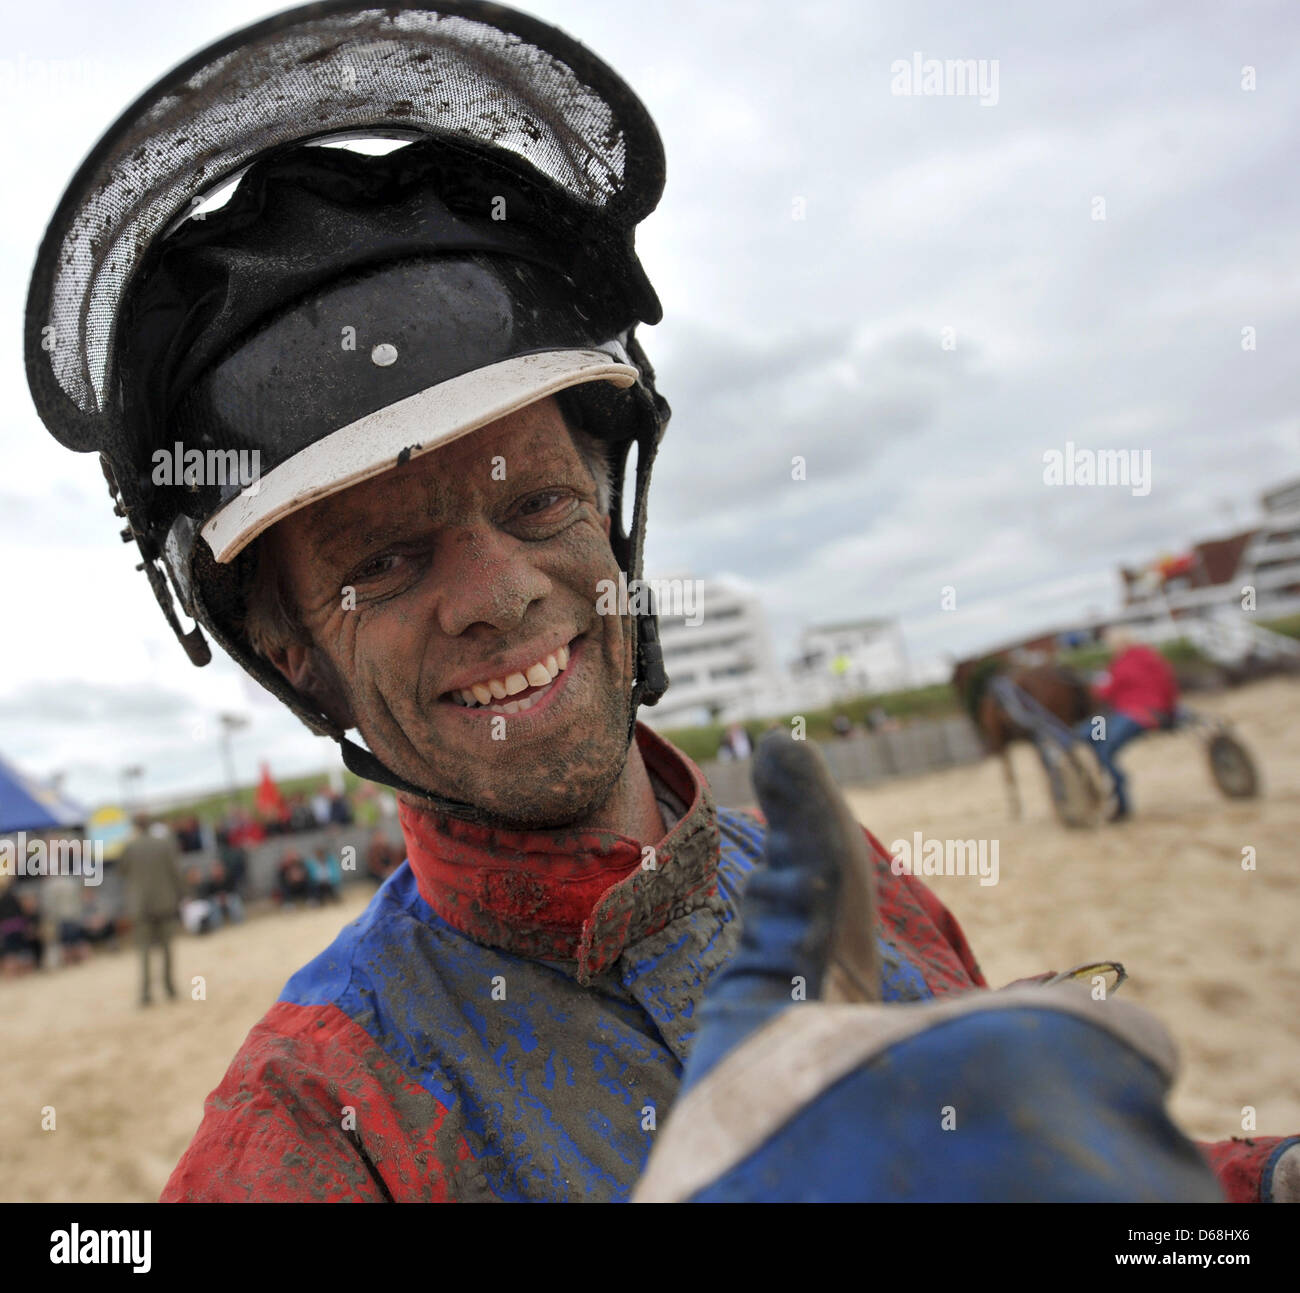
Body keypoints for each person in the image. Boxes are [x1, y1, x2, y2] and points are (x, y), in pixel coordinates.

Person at [27, 2, 1293, 1203]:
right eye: (390, 564)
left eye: (538, 508)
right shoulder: (310, 1130)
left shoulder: (842, 879)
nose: (501, 591)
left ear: (614, 518)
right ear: (290, 654)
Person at [1079, 627, 1181, 821]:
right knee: (1092, 733)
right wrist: (1170, 711)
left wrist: (1097, 685)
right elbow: (1169, 684)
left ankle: (1119, 793)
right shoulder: (1151, 656)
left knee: (1103, 747)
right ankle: (1100, 759)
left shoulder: (1122, 664)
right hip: (1152, 711)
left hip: (1137, 714)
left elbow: (1105, 693)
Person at [117, 814, 184, 1004]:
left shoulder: (130, 847)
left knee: (144, 952)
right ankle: (170, 988)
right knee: (167, 948)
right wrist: (182, 894)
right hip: (164, 902)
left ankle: (146, 994)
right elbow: (175, 871)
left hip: (140, 906)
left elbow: (122, 871)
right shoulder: (163, 844)